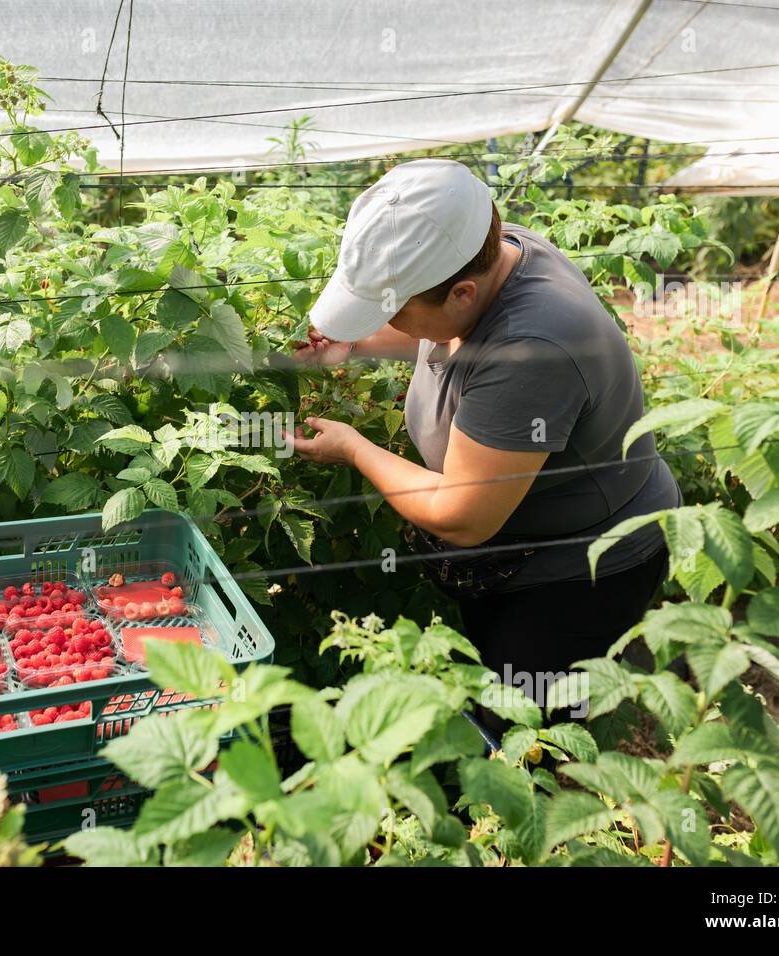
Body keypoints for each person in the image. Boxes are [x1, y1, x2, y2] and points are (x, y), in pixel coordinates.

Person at [289, 159, 680, 726]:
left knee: (526, 732)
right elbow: (445, 331)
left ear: (462, 293)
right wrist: (353, 342)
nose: (390, 323)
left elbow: (462, 513)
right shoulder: (489, 251)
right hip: (518, 550)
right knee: (492, 694)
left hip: (577, 572)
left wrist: (355, 448)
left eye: (392, 310)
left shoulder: (533, 349)